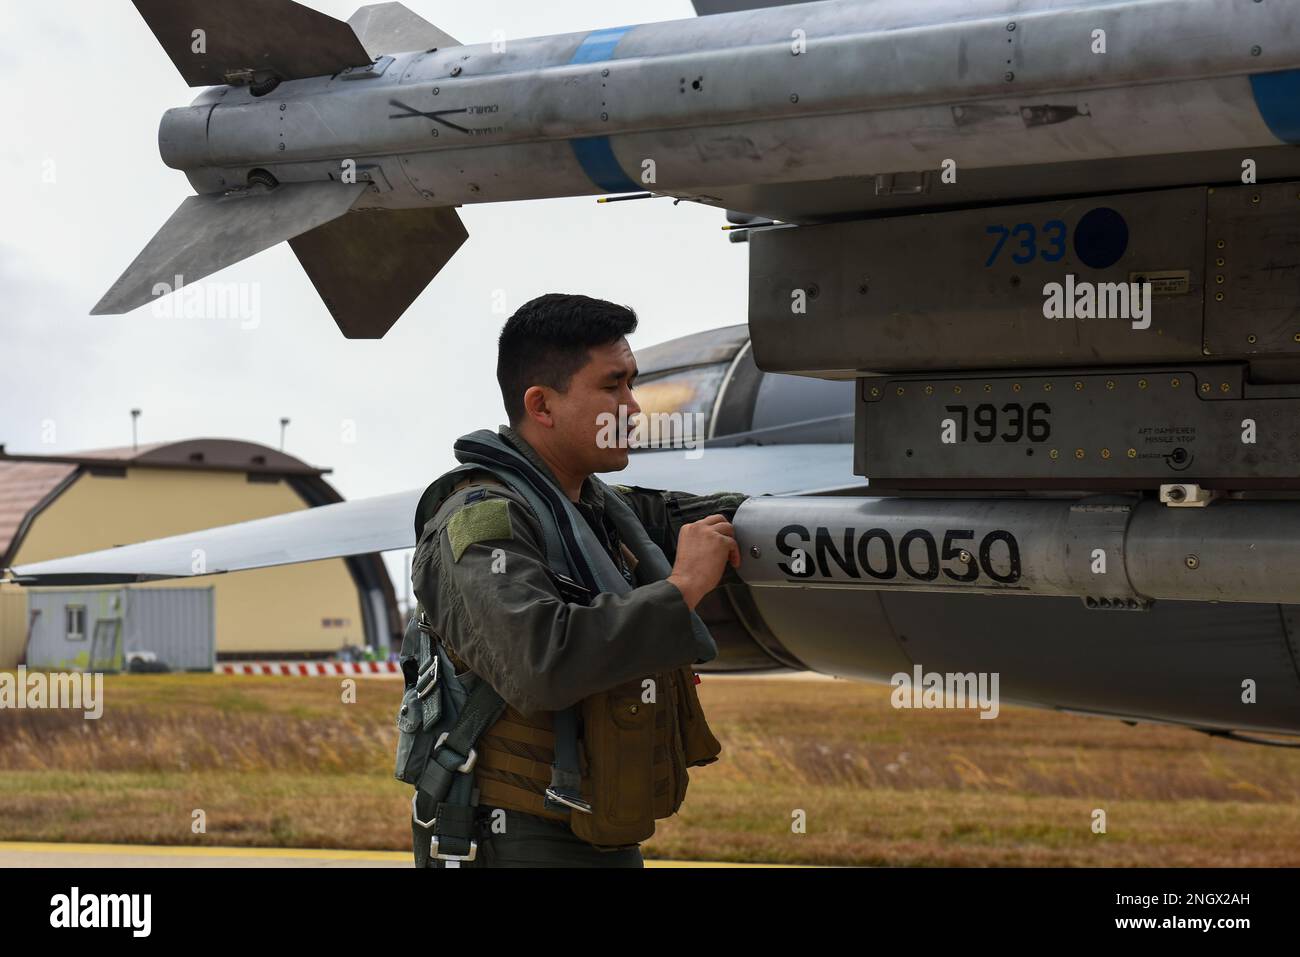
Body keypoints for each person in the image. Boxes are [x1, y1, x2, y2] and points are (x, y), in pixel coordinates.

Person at [407, 293, 747, 867]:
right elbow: (539, 662)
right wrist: (681, 587)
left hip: (596, 828)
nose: (633, 408)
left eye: (631, 385)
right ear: (541, 405)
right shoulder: (482, 521)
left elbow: (733, 516)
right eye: (612, 387)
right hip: (512, 836)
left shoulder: (601, 510)